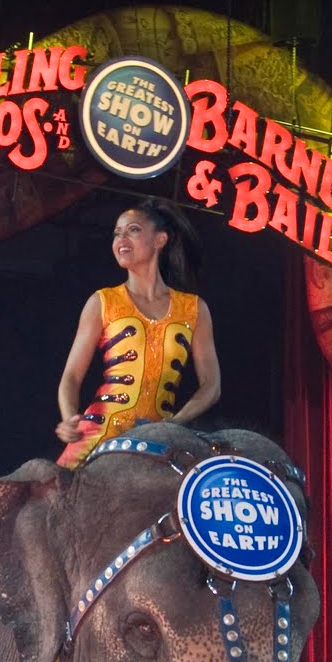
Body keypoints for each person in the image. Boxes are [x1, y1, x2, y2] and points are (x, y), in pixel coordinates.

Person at [54, 199, 221, 467]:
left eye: (133, 230)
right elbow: (71, 377)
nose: (121, 238)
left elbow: (212, 385)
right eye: (117, 233)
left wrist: (175, 423)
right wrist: (69, 418)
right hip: (100, 431)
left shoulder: (194, 309)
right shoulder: (103, 302)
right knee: (55, 497)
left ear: (160, 240)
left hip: (162, 437)